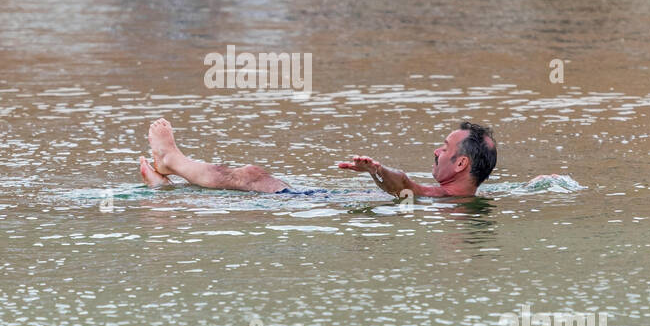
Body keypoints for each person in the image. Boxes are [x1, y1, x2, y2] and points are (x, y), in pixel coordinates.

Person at [137, 119, 497, 198]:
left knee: (248, 176)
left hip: (312, 206)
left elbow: (402, 184)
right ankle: (165, 192)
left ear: (462, 164)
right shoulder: (466, 203)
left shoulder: (442, 199)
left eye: (445, 148)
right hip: (322, 201)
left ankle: (171, 161)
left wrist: (376, 170)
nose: (437, 151)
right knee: (243, 187)